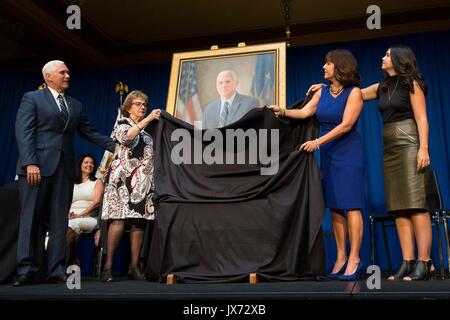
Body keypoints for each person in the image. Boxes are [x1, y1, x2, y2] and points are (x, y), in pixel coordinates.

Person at [307, 45, 432, 281]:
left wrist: (423, 147)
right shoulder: (382, 87)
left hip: (409, 142)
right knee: (398, 205)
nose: (382, 57)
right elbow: (350, 93)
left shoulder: (411, 84)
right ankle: (407, 261)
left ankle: (424, 261)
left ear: (399, 59)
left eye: (386, 55)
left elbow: (422, 118)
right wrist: (325, 87)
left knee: (415, 203)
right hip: (390, 146)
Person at [14, 60, 115, 286]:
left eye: (68, 71)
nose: (68, 75)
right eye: (62, 72)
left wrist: (117, 146)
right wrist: (30, 162)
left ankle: (57, 269)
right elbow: (24, 131)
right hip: (36, 169)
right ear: (48, 77)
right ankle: (26, 269)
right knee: (30, 219)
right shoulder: (32, 98)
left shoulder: (75, 105)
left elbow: (89, 132)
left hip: (65, 170)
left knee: (60, 221)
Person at [268, 49, 365, 281]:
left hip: (348, 153)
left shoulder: (354, 93)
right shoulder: (323, 92)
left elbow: (346, 125)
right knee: (335, 206)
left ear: (339, 66)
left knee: (351, 205)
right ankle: (340, 257)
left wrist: (318, 142)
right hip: (329, 154)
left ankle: (354, 258)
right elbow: (304, 113)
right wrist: (282, 111)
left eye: (328, 63)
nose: (324, 67)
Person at [101, 90, 161, 282]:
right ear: (127, 108)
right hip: (122, 179)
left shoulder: (148, 131)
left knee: (139, 222)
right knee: (118, 220)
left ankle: (134, 267)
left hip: (142, 182)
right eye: (137, 104)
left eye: (144, 105)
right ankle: (108, 266)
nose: (142, 107)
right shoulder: (122, 122)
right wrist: (150, 118)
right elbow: (127, 138)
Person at [66, 154, 103, 266]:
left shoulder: (97, 182)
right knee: (67, 227)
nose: (89, 165)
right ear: (80, 165)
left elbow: (97, 202)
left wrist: (80, 215)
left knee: (73, 224)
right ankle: (71, 260)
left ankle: (68, 262)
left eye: (91, 163)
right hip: (72, 216)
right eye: (86, 162)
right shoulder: (72, 183)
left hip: (90, 217)